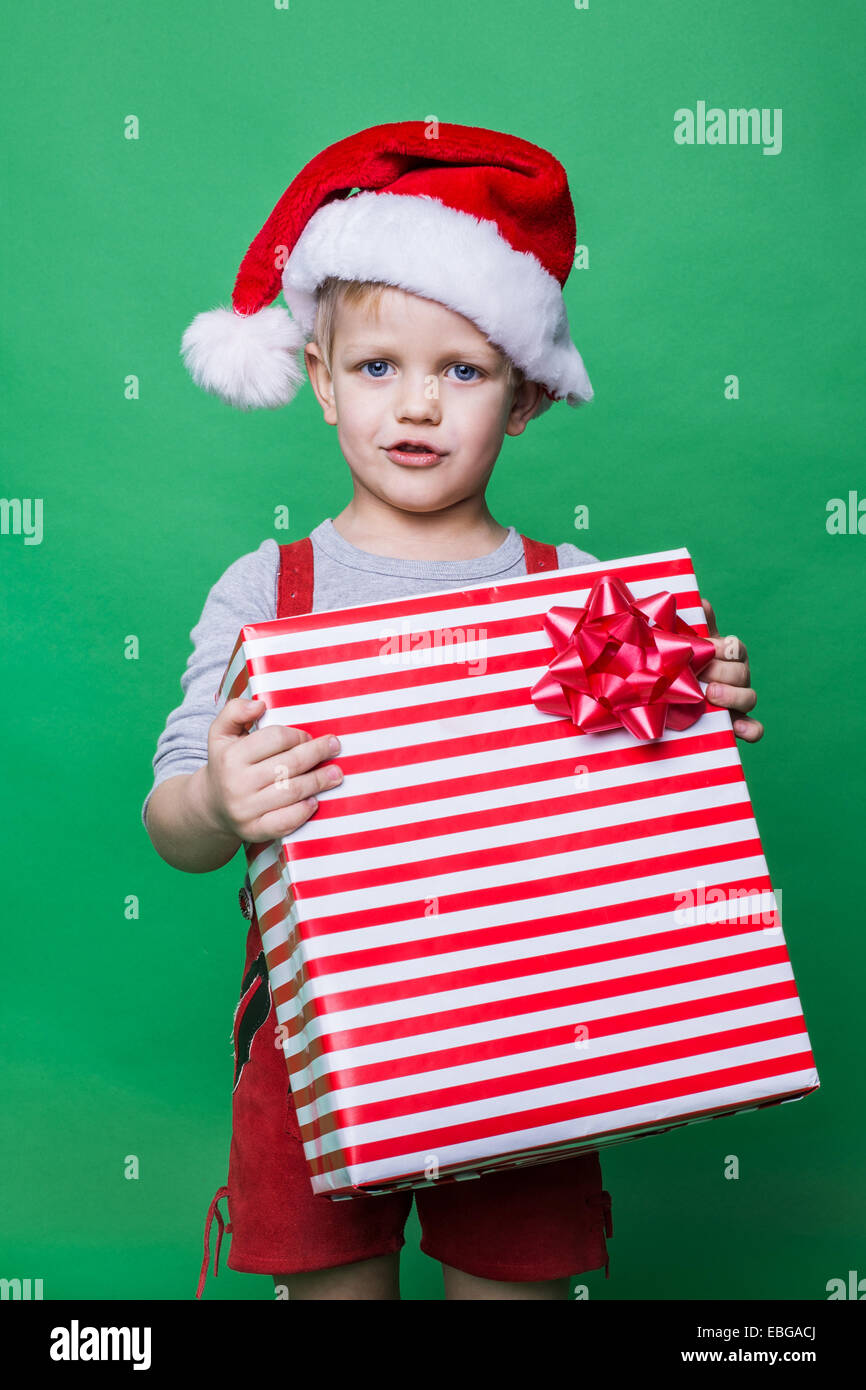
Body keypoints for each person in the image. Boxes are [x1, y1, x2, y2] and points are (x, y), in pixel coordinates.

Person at [142, 121, 763, 1302]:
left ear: (522, 395)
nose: (416, 405)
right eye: (377, 367)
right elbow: (173, 826)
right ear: (318, 381)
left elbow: (657, 805)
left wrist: (694, 713)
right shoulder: (262, 593)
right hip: (316, 1031)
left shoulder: (579, 596)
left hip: (535, 1028)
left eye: (461, 370)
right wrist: (218, 797)